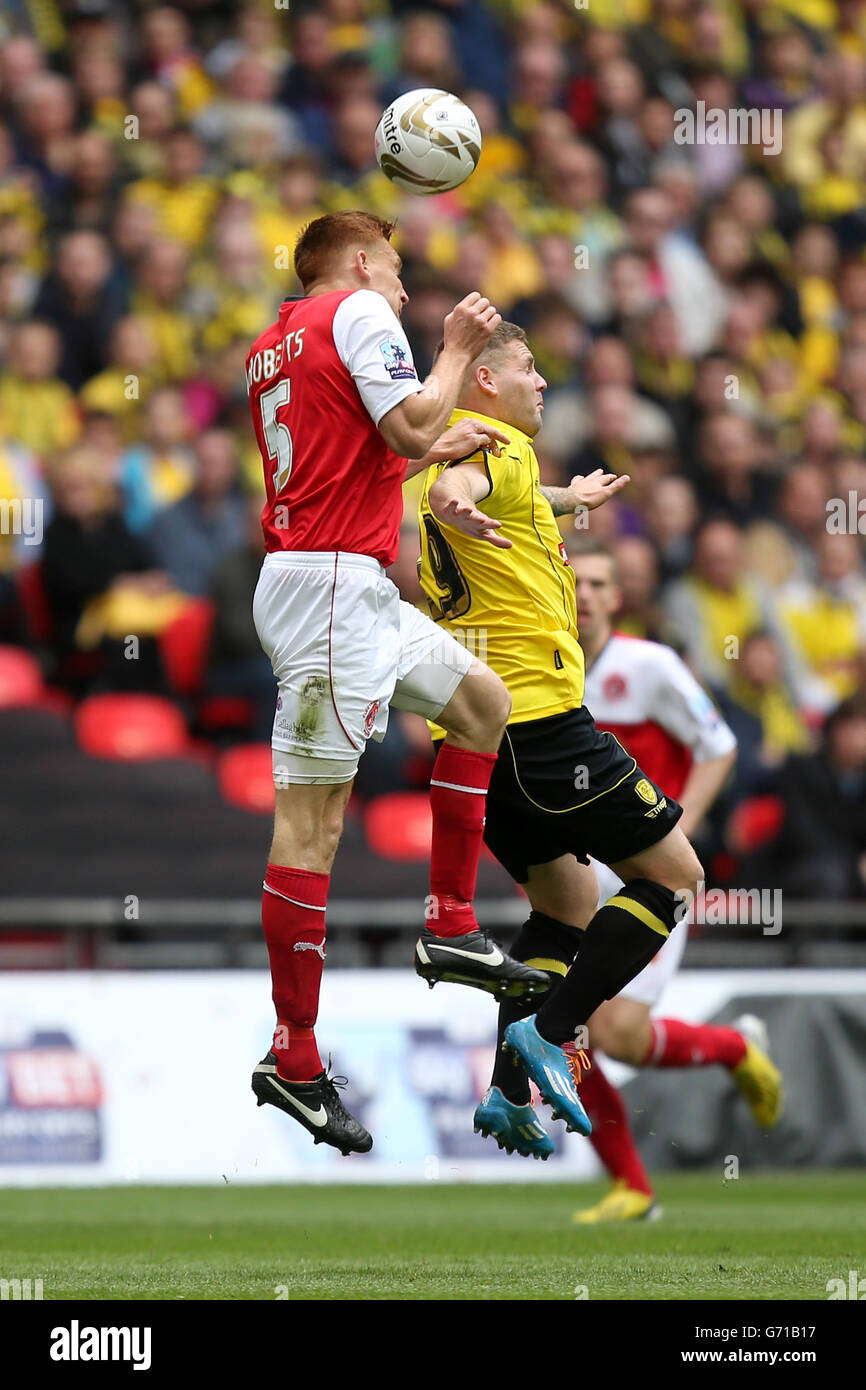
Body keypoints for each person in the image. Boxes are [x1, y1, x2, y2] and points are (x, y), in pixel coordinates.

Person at [246, 212, 547, 1158]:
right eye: (398, 270)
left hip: (348, 586)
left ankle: (450, 922)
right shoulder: (360, 311)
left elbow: (368, 447)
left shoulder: (273, 343)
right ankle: (294, 1057)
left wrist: (429, 446)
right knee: (311, 829)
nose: (407, 291)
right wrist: (453, 349)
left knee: (482, 703)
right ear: (360, 261)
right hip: (332, 589)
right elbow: (409, 417)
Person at [417, 320, 704, 1146]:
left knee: (566, 905)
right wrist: (453, 504)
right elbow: (466, 487)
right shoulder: (493, 445)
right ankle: (552, 1033)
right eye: (529, 368)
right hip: (542, 722)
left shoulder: (429, 454)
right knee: (675, 878)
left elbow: (481, 492)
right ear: (486, 383)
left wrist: (570, 499)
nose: (543, 382)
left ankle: (507, 1093)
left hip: (474, 738)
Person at [567, 539, 782, 1223]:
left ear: (617, 596)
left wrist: (675, 827)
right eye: (574, 582)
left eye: (598, 583)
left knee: (614, 1035)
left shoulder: (650, 666)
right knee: (568, 1035)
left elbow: (719, 744)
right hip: (575, 883)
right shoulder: (544, 669)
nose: (585, 594)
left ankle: (733, 1047)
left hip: (650, 880)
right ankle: (631, 1187)